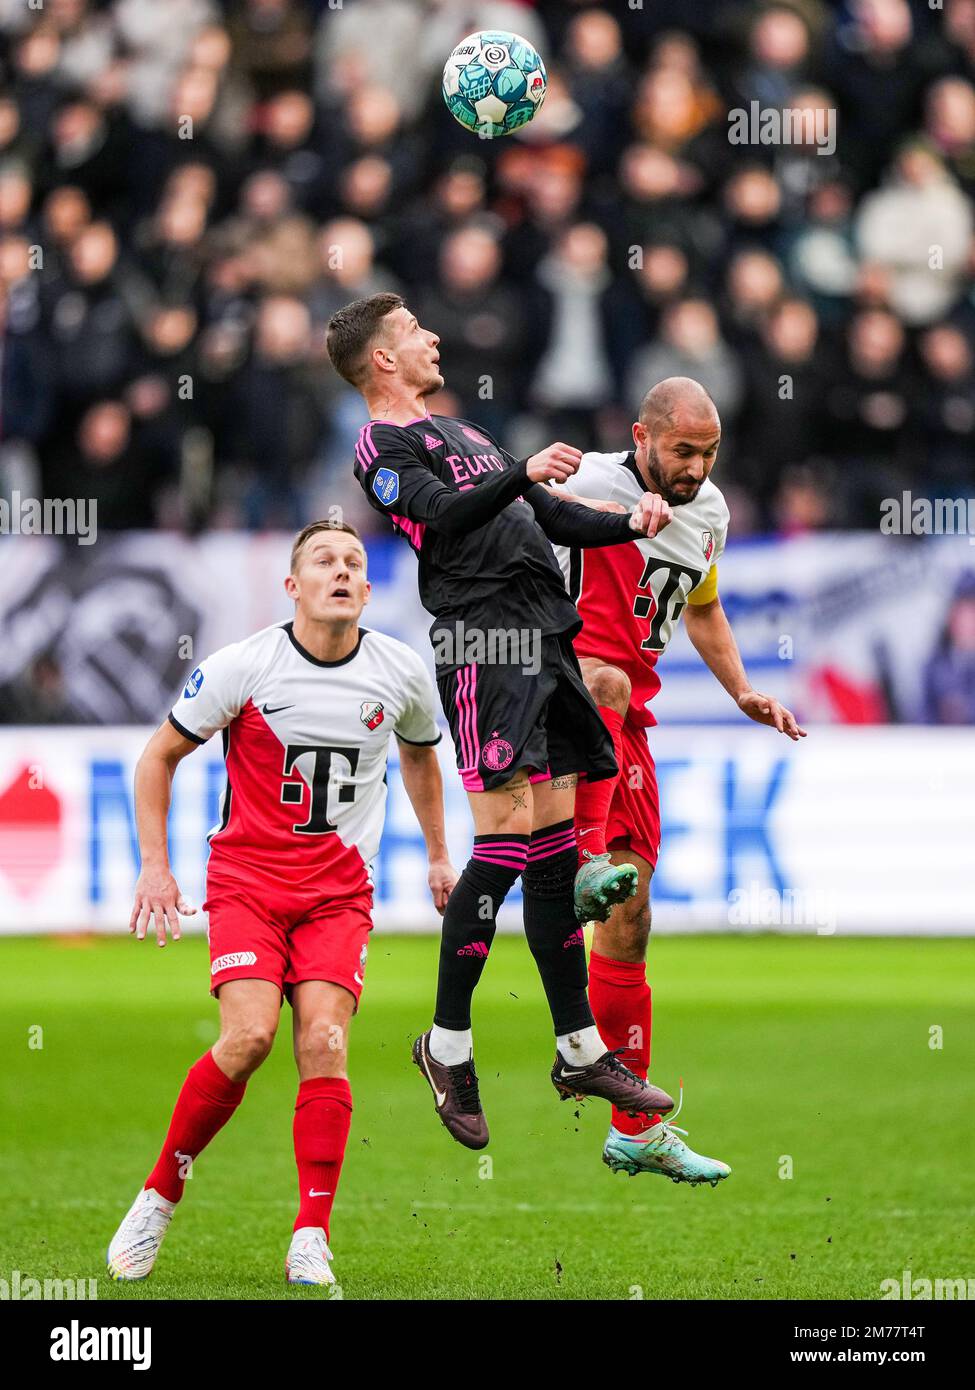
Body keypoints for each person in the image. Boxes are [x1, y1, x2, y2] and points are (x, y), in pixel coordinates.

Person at [326, 291, 676, 1151]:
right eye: (412, 330)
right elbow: (442, 519)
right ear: (379, 359)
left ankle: (578, 1048)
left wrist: (624, 522)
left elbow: (545, 515)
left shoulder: (467, 432)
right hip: (486, 636)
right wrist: (519, 471)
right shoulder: (383, 443)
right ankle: (446, 1048)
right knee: (508, 841)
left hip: (545, 631)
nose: (432, 335)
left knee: (552, 846)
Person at [106, 520, 456, 1286]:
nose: (341, 570)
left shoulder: (399, 671)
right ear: (292, 587)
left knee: (324, 1042)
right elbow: (157, 757)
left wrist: (437, 854)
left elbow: (422, 758)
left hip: (338, 895)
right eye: (323, 561)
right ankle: (160, 1193)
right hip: (248, 885)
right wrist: (155, 868)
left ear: (368, 589)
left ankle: (310, 1232)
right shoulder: (244, 666)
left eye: (354, 563)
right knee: (250, 1038)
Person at [550, 376, 805, 1184]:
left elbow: (700, 608)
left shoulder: (711, 514)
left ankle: (635, 1128)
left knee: (629, 919)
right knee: (608, 682)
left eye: (709, 452)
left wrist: (742, 691)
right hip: (561, 696)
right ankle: (578, 854)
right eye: (683, 450)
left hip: (628, 725)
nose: (696, 467)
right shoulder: (587, 483)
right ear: (641, 437)